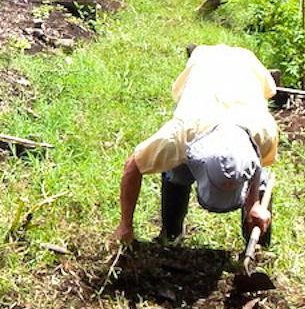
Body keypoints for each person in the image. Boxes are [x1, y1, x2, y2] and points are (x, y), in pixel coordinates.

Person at [114, 44, 278, 250]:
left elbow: (257, 162)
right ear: (196, 161)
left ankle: (258, 246)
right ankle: (171, 234)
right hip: (205, 64)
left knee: (261, 184)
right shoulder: (180, 136)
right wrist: (125, 225)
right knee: (176, 173)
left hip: (248, 65)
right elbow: (132, 166)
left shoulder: (263, 130)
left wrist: (253, 202)